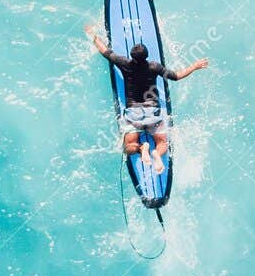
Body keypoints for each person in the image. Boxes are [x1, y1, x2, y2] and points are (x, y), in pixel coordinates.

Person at [84, 24, 209, 173]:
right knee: (162, 142)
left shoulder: (125, 64)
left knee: (128, 147)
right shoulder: (154, 67)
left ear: (132, 56)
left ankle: (142, 148)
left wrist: (93, 35)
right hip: (153, 112)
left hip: (133, 114)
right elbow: (176, 76)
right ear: (147, 56)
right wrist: (194, 66)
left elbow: (106, 52)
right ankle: (157, 153)